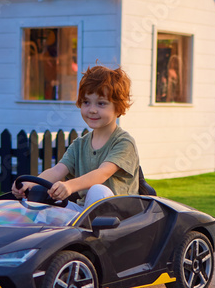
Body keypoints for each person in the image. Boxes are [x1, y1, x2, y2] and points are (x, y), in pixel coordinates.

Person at [12, 65, 139, 210]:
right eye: (86, 102)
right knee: (49, 212)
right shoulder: (79, 144)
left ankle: (89, 230)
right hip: (86, 210)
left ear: (119, 107)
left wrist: (70, 185)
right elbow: (57, 171)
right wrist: (32, 183)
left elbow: (102, 174)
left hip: (120, 215)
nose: (92, 109)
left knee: (97, 189)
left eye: (101, 103)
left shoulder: (123, 142)